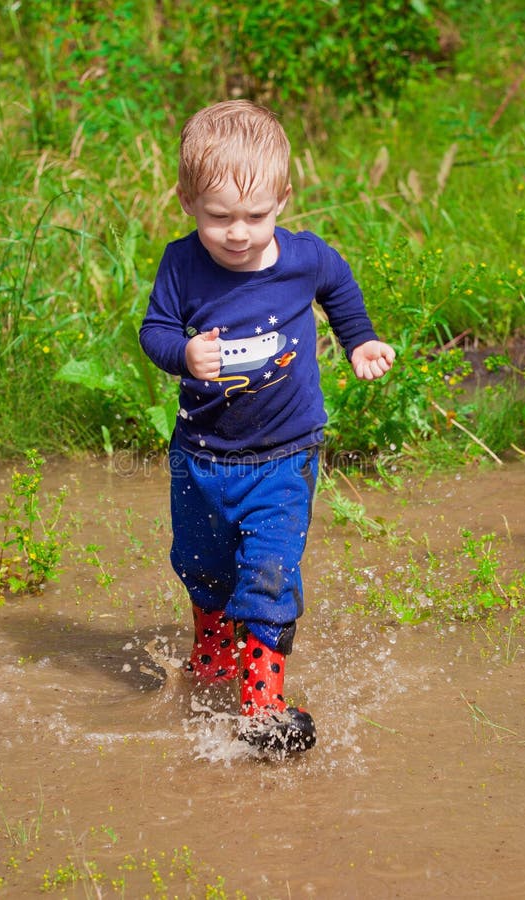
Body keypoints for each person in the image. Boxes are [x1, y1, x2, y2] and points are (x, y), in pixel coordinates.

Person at [139, 99, 395, 753]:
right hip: (200, 454)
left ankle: (261, 701)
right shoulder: (181, 264)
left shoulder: (304, 259)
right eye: (218, 216)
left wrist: (360, 340)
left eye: (256, 216)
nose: (238, 233)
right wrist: (183, 353)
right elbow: (156, 331)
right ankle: (213, 656)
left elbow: (338, 288)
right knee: (202, 566)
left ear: (284, 198)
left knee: (270, 571)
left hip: (284, 454)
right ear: (187, 201)